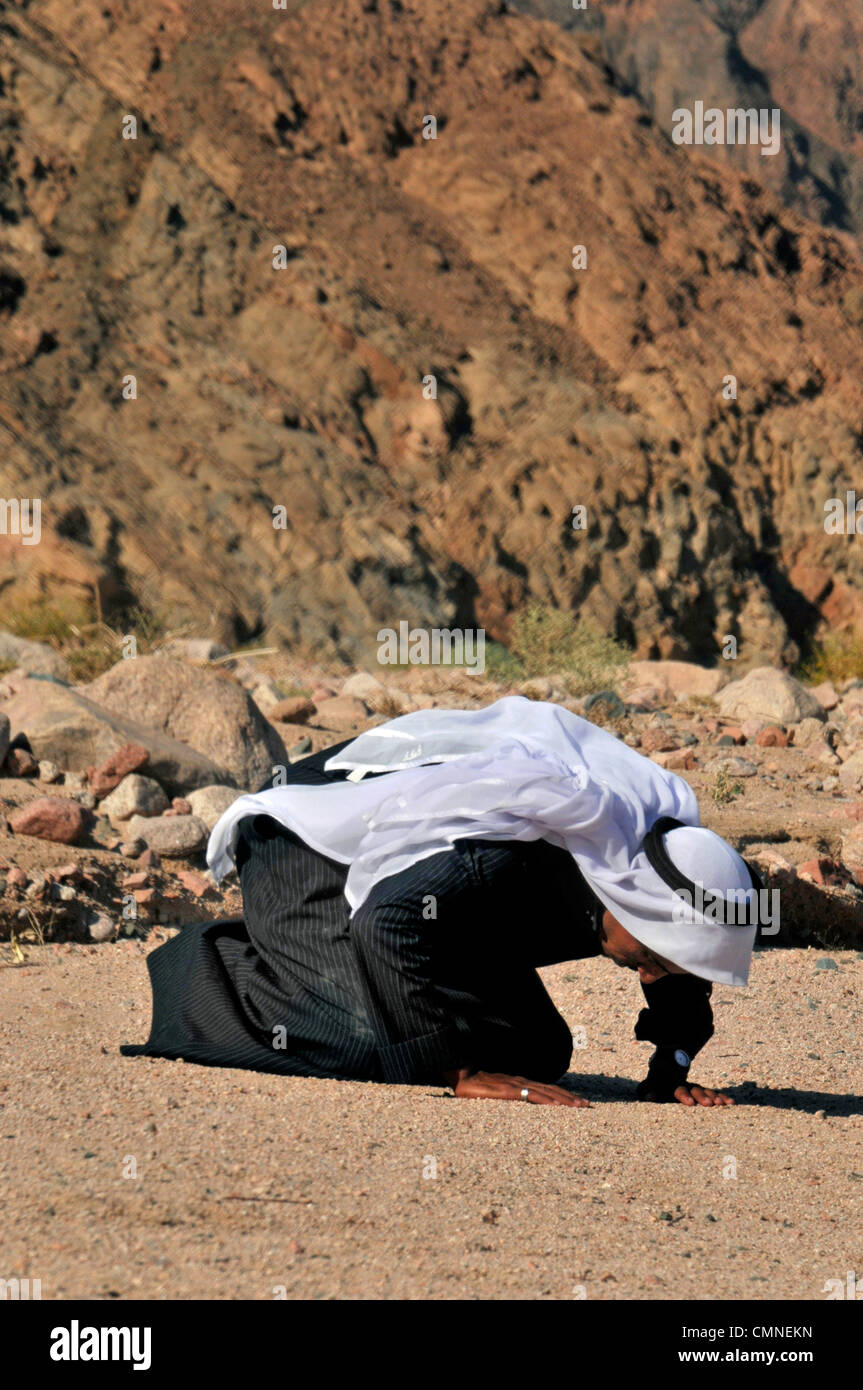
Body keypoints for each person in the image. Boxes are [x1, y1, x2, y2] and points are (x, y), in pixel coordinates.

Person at [124, 698, 763, 1108]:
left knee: (539, 1055)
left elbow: (682, 962)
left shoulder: (655, 877)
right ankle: (215, 969)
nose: (650, 972)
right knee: (367, 1039)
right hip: (307, 844)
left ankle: (335, 974)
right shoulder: (510, 857)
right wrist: (452, 1071)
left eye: (665, 965)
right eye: (650, 955)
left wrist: (670, 1063)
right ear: (631, 901)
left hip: (420, 890)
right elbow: (385, 919)